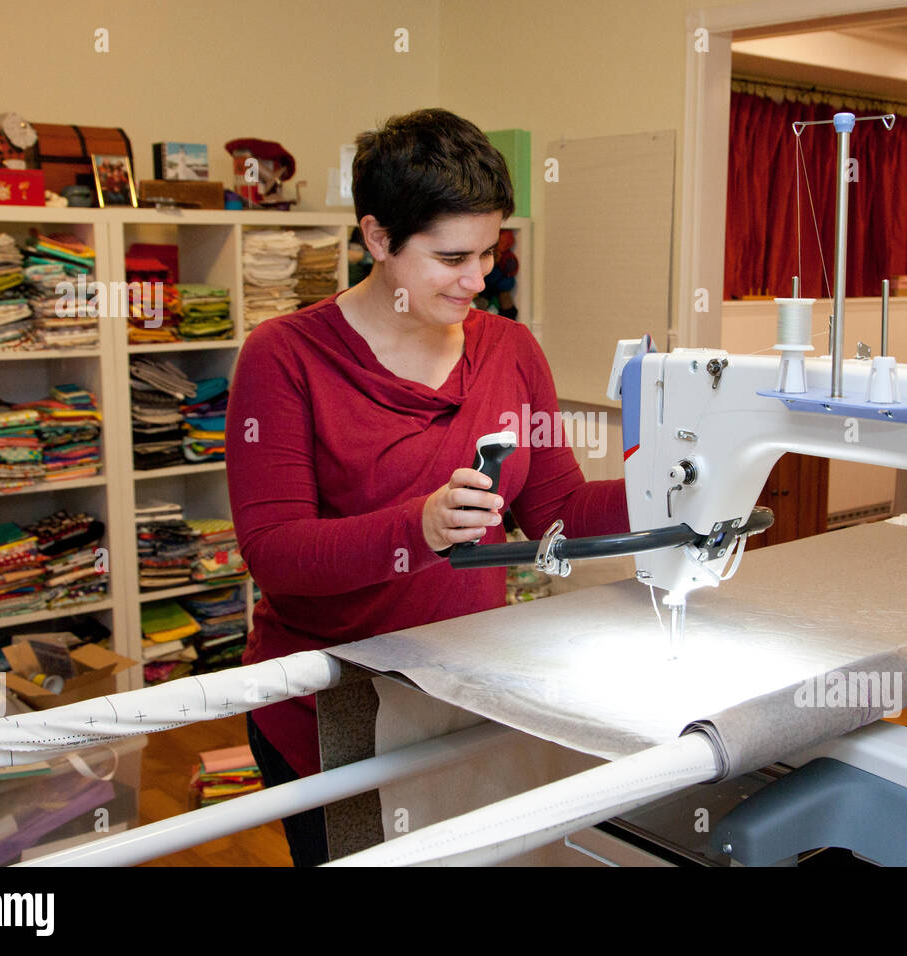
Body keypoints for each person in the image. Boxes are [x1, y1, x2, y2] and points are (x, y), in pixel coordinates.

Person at [226, 108, 629, 866]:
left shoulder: (510, 348)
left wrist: (670, 486)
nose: (478, 279)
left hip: (460, 689)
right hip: (333, 704)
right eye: (451, 258)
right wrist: (422, 526)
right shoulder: (285, 358)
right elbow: (276, 555)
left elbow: (557, 515)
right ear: (377, 238)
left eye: (489, 252)